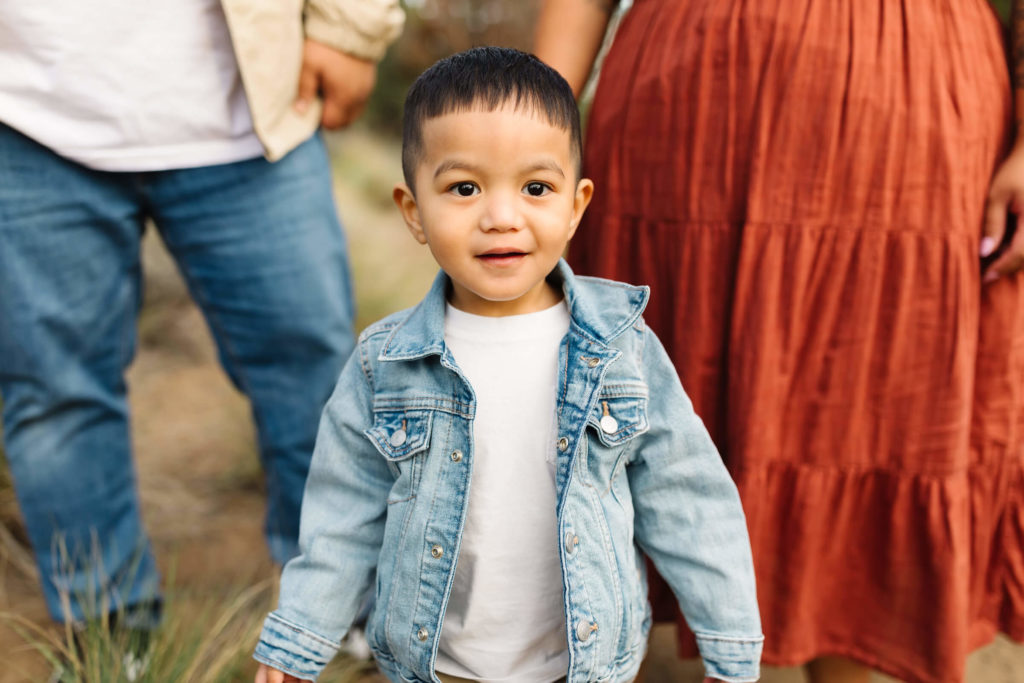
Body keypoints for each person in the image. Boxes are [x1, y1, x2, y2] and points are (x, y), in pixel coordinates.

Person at [534, 1, 1024, 682]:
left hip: (906, 106)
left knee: (865, 421)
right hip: (684, 106)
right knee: (633, 429)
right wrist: (524, 123)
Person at [252, 46, 763, 683]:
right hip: (434, 663)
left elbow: (691, 504)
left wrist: (731, 645)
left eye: (536, 188)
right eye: (464, 188)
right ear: (415, 212)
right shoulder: (384, 365)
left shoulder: (620, 352)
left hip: (587, 665)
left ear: (576, 206)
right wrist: (299, 638)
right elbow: (342, 517)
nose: (501, 217)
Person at [0, 0, 403, 636]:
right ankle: (109, 635)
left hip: (253, 108)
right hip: (23, 118)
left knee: (316, 375)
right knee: (54, 393)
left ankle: (344, 610)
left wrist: (349, 26)